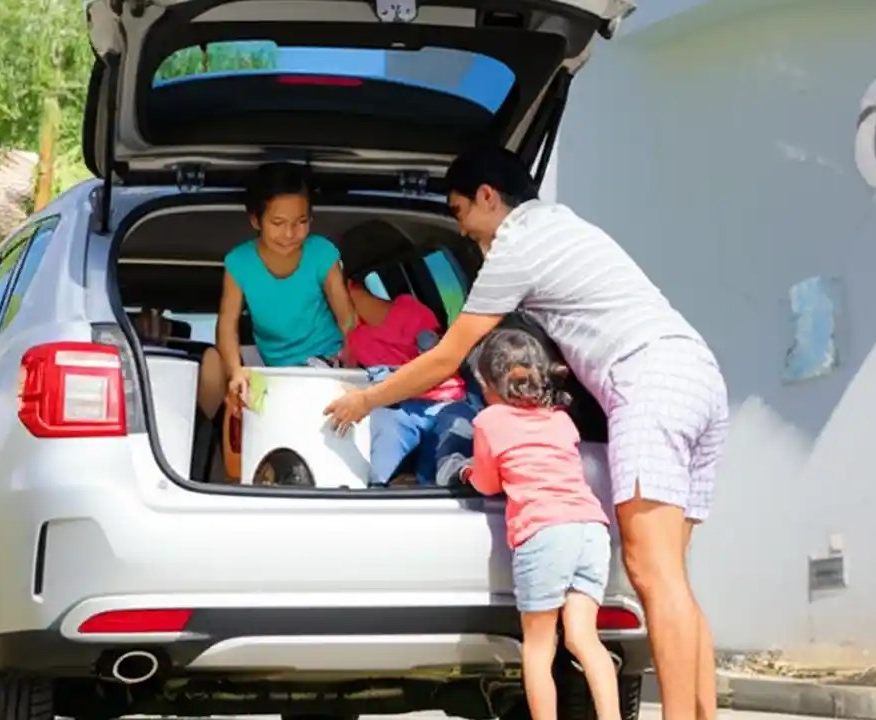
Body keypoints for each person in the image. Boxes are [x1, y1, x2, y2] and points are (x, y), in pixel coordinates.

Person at [324, 146, 729, 720]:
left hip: (649, 382)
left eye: (460, 209)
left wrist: (365, 399)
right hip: (698, 375)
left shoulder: (517, 248)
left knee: (651, 573)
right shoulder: (564, 224)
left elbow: (448, 358)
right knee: (673, 581)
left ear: (489, 197)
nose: (461, 227)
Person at [460, 329, 620, 720]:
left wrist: (466, 472)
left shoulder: (489, 422)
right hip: (590, 527)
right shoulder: (561, 422)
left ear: (486, 382)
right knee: (585, 639)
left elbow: (488, 482)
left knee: (538, 645)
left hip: (545, 532)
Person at [208, 162, 356, 415]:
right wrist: (236, 372)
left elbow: (347, 319)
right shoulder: (239, 262)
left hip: (329, 361)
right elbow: (227, 322)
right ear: (256, 220)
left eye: (301, 221)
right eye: (278, 222)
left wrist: (351, 372)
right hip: (274, 370)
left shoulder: (321, 253)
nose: (289, 233)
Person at [342, 279, 480, 486]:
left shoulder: (410, 310)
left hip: (446, 399)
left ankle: (438, 485)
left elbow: (439, 360)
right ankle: (378, 488)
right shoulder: (336, 336)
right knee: (385, 430)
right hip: (392, 404)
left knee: (455, 433)